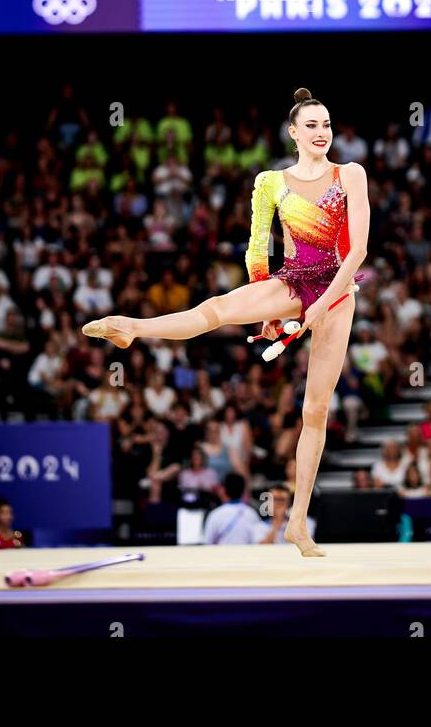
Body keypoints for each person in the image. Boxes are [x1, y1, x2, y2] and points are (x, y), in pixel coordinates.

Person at [83, 86, 370, 558]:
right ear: (293, 132)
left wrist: (324, 306)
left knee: (314, 411)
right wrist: (272, 316)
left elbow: (358, 249)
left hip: (338, 292)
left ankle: (297, 523)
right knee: (215, 310)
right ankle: (133, 326)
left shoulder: (350, 174)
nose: (322, 133)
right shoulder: (270, 182)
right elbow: (258, 248)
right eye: (312, 125)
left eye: (327, 124)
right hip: (294, 282)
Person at [201, 472, 268, 544]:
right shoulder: (252, 514)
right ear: (243, 491)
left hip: (223, 555)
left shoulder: (215, 515)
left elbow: (208, 544)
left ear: (223, 490)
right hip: (246, 554)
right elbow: (258, 543)